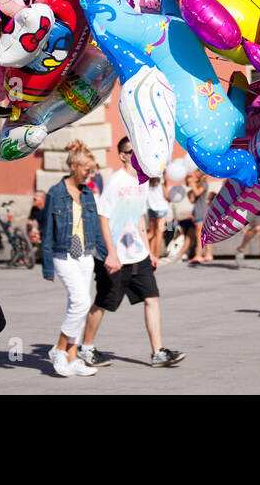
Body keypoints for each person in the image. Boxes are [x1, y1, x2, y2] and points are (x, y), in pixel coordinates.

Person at [78, 138, 185, 368]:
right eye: (131, 151)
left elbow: (139, 218)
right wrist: (111, 253)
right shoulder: (116, 182)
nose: (137, 155)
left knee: (152, 298)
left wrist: (149, 251)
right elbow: (103, 219)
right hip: (113, 257)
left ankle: (158, 352)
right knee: (104, 303)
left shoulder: (143, 181)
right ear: (123, 156)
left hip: (138, 255)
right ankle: (86, 348)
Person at [41, 141, 107, 378]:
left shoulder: (88, 193)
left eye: (92, 170)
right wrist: (47, 266)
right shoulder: (55, 193)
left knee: (77, 304)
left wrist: (106, 257)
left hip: (86, 255)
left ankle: (72, 356)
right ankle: (59, 349)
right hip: (63, 255)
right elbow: (47, 231)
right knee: (81, 302)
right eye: (86, 170)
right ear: (74, 166)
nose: (90, 174)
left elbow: (97, 230)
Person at [184, 171, 213, 264]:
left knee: (199, 234)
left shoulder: (204, 184)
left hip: (202, 211)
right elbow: (193, 199)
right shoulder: (199, 184)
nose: (195, 176)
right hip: (198, 211)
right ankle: (208, 254)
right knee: (204, 234)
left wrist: (193, 185)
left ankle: (199, 255)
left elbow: (197, 193)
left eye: (197, 174)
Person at [145, 176, 169, 261]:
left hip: (150, 208)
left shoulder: (147, 177)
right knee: (160, 233)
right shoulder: (161, 178)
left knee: (152, 233)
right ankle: (156, 257)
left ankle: (150, 256)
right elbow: (166, 195)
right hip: (161, 208)